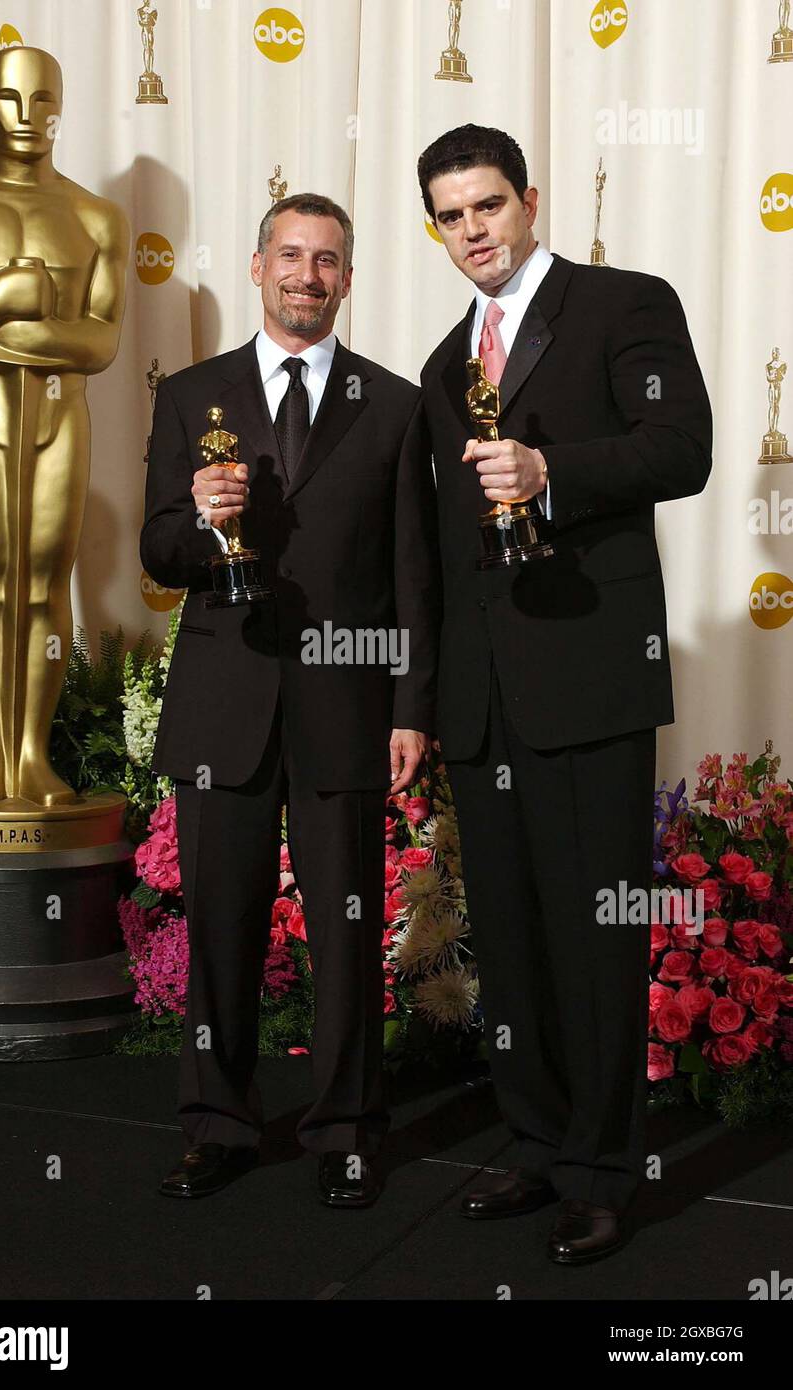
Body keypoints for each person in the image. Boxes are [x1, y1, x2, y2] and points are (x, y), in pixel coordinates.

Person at [416, 124, 712, 1262]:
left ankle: (602, 1171)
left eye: (488, 205)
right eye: (451, 214)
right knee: (516, 936)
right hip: (484, 701)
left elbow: (682, 447)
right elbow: (445, 552)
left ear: (529, 202)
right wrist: (429, 701)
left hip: (590, 678)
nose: (473, 229)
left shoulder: (624, 302)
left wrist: (555, 473)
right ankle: (536, 1144)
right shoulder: (448, 365)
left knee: (594, 940)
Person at [141, 193, 440, 1207]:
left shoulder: (395, 406)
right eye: (293, 255)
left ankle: (348, 1130)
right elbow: (159, 552)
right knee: (221, 925)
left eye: (329, 260)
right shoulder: (190, 395)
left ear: (348, 279)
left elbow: (414, 573)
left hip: (348, 708)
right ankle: (218, 1124)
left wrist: (412, 705)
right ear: (259, 266)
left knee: (348, 930)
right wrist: (197, 517)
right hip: (225, 703)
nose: (309, 274)